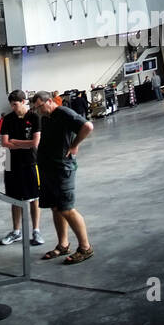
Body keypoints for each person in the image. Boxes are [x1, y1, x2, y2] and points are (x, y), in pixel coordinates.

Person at [31, 90, 94, 264]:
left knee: (66, 208)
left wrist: (74, 145)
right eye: (36, 108)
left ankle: (85, 248)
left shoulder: (64, 113)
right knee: (55, 207)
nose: (39, 111)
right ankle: (63, 244)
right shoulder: (46, 117)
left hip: (62, 169)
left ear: (49, 101)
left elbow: (88, 126)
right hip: (48, 169)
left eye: (40, 107)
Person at [0, 90, 43, 247]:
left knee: (34, 197)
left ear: (23, 102)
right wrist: (23, 143)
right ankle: (16, 232)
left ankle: (36, 230)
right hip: (10, 163)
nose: (13, 107)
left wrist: (15, 142)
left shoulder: (34, 117)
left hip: (30, 162)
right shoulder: (7, 119)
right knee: (14, 198)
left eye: (15, 104)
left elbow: (35, 143)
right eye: (11, 105)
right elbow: (4, 143)